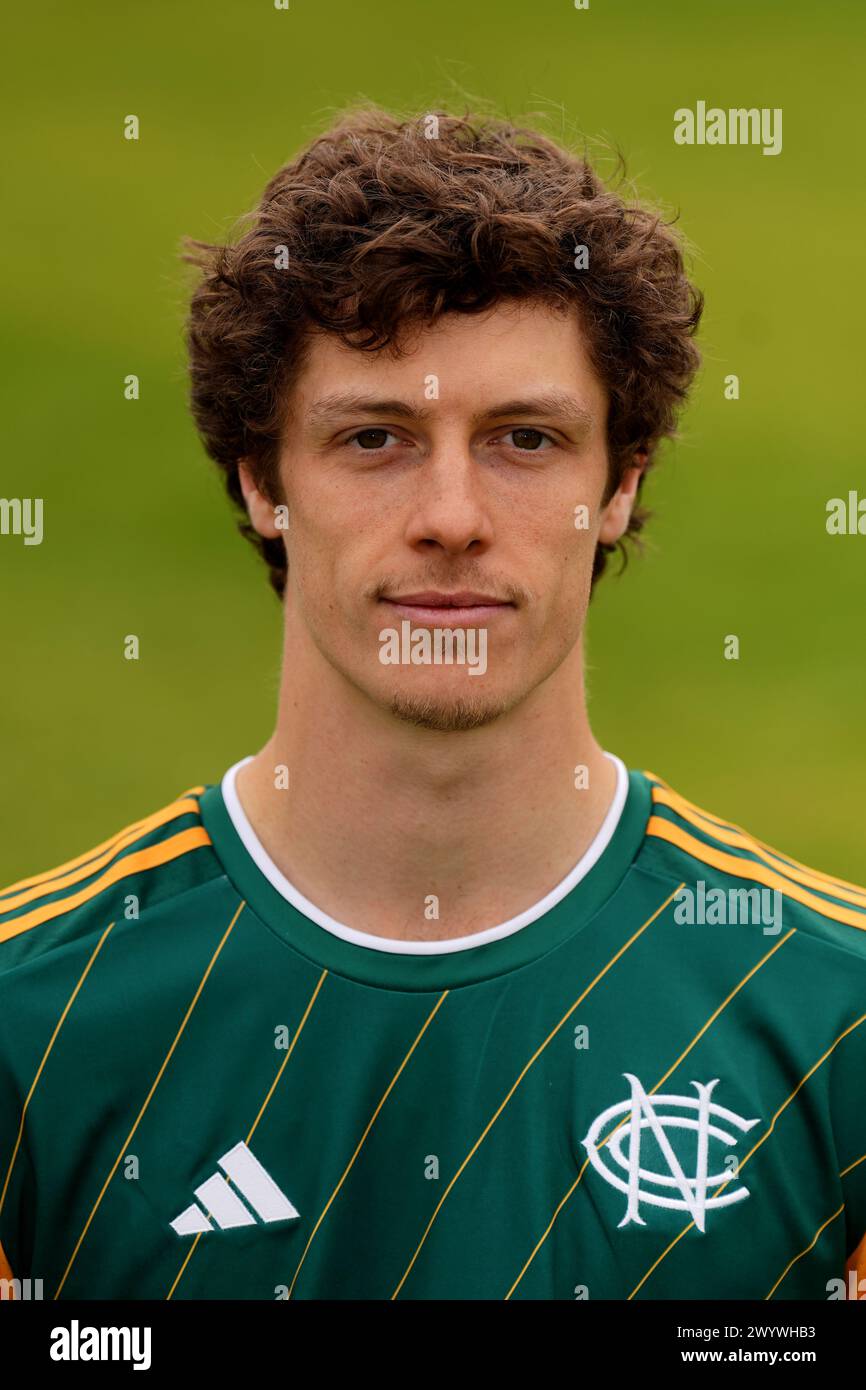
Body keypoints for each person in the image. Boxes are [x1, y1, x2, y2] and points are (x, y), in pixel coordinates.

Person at [1, 108, 864, 1302]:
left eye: (523, 438)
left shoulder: (834, 1020)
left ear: (618, 483)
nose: (451, 515)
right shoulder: (30, 1021)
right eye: (374, 438)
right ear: (261, 481)